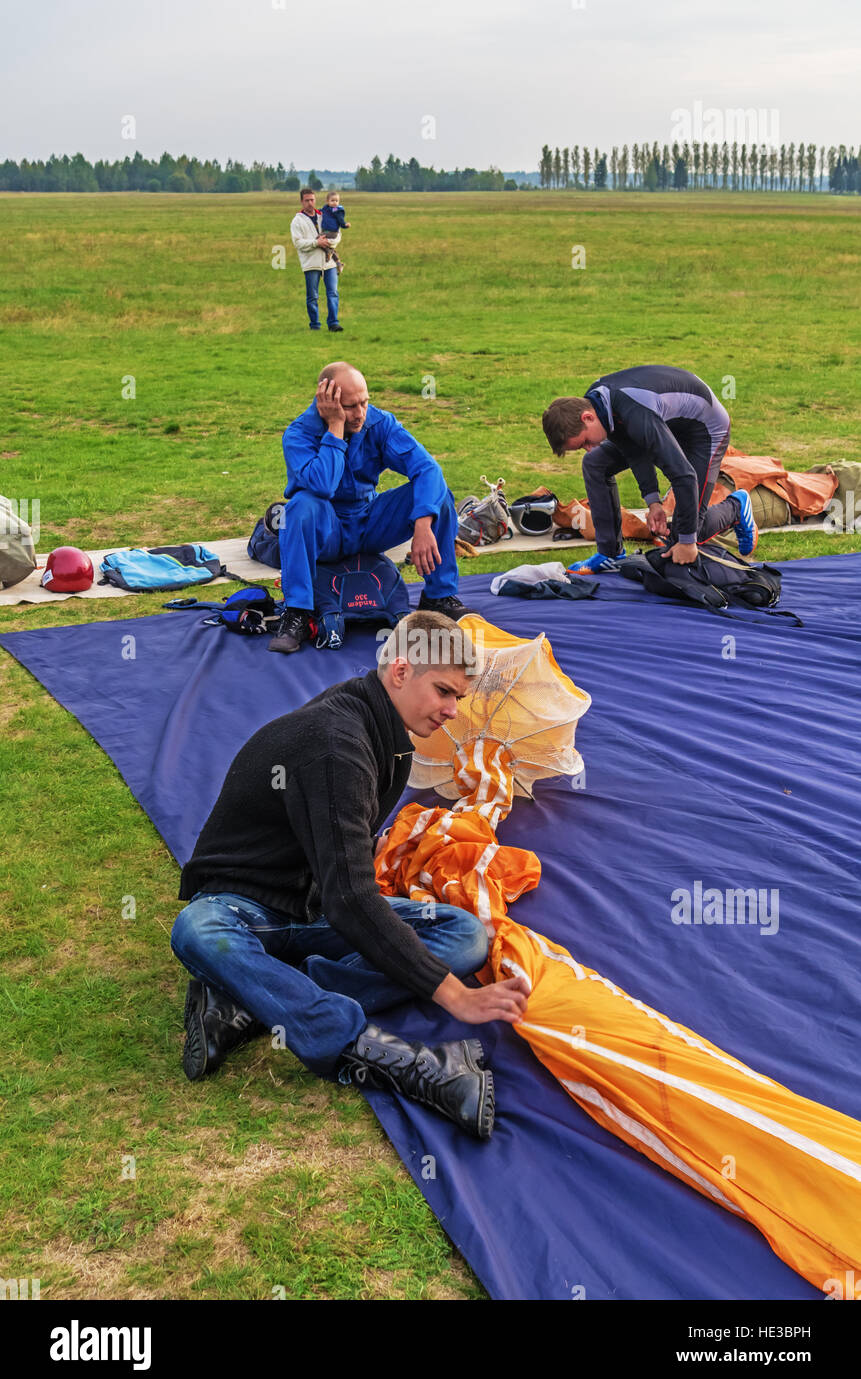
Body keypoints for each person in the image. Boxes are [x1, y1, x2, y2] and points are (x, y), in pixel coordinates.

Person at [171, 611, 530, 1139]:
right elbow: (352, 898)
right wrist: (453, 996)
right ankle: (407, 1063)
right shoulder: (336, 743)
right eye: (445, 693)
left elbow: (346, 879)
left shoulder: (392, 738)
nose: (453, 712)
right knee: (197, 931)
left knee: (463, 934)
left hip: (313, 904)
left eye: (458, 698)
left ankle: (253, 998)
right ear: (401, 672)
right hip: (244, 909)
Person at [268, 360, 477, 655]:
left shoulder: (379, 423)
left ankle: (438, 596)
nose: (360, 413)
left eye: (364, 402)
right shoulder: (298, 435)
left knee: (437, 495)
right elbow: (323, 485)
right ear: (326, 402)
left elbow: (427, 468)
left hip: (369, 521)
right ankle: (298, 613)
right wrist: (336, 428)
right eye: (350, 407)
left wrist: (422, 523)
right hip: (326, 527)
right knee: (297, 509)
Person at [542, 365, 758, 573]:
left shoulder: (634, 412)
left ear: (587, 418)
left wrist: (687, 542)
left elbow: (684, 475)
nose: (589, 449)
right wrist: (654, 503)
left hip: (704, 431)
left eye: (585, 442)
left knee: (687, 534)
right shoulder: (596, 403)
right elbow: (634, 449)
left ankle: (736, 507)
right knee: (595, 463)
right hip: (666, 421)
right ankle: (610, 553)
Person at [290, 186, 343, 332]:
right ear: (301, 202)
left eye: (312, 200)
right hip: (311, 263)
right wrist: (316, 243)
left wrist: (329, 243)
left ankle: (333, 323)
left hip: (329, 262)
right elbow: (298, 243)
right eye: (307, 200)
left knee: (333, 292)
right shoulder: (297, 221)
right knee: (313, 296)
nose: (310, 203)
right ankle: (315, 325)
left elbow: (337, 233)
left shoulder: (324, 215)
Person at [320, 191, 349, 274]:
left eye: (337, 201)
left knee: (317, 240)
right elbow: (321, 211)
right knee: (331, 248)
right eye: (332, 200)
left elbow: (341, 220)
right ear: (327, 201)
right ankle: (339, 263)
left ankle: (328, 252)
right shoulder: (326, 208)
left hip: (332, 232)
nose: (335, 203)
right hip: (327, 231)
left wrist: (344, 225)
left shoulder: (337, 210)